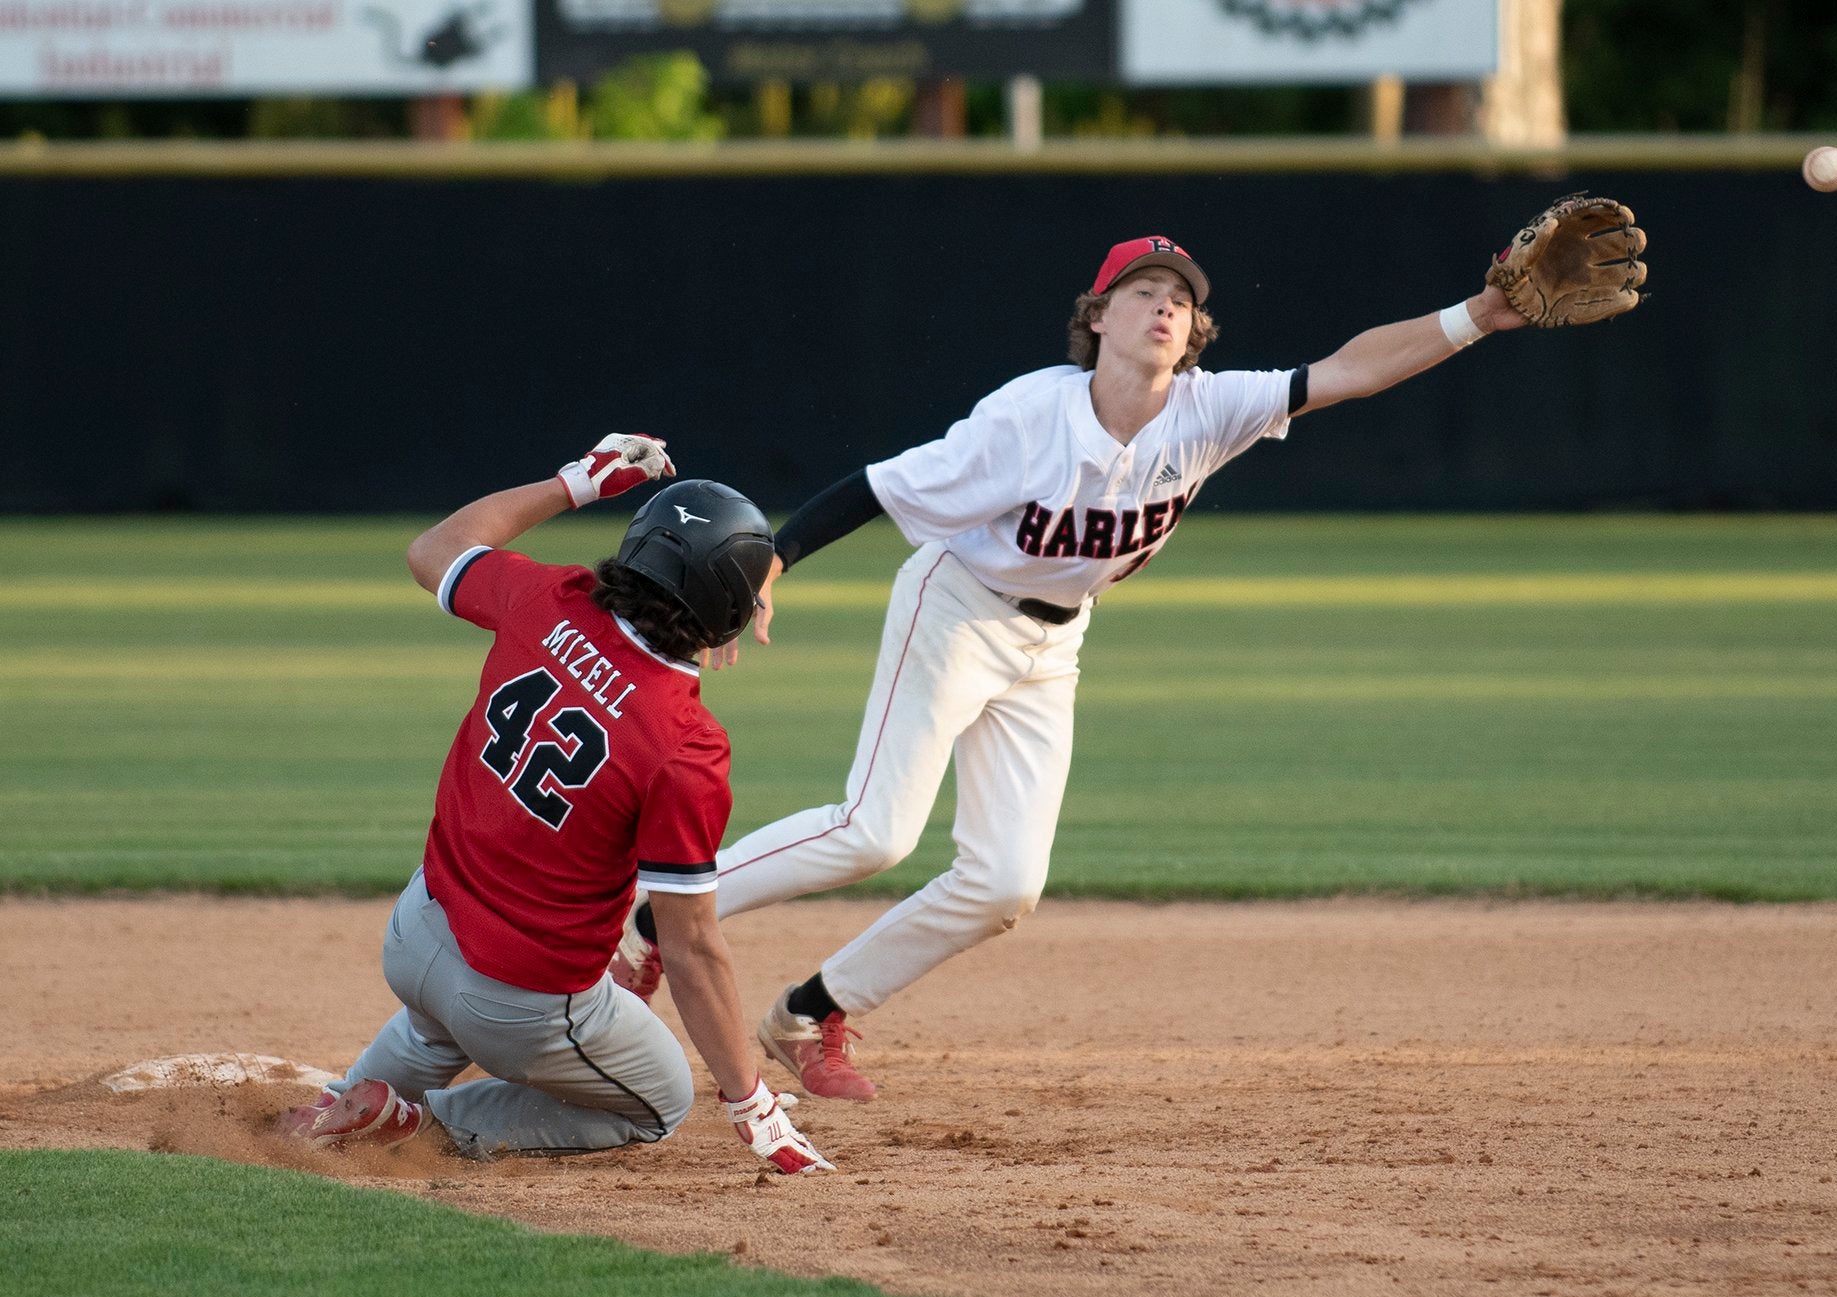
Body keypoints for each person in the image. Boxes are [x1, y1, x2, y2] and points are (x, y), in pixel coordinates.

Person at [611, 235, 1533, 1102]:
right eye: (1143, 292)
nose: (1164, 308)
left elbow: (1351, 370)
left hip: (1056, 642)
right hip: (958, 607)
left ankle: (810, 1014)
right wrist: (773, 560)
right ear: (1098, 315)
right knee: (872, 831)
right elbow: (879, 486)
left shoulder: (1213, 408)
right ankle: (657, 920)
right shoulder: (1026, 419)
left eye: (1180, 299)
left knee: (1005, 882)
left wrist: (1479, 316)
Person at [282, 434, 830, 1174]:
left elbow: (435, 548)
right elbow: (692, 947)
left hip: (417, 931)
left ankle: (347, 1102)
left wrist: (576, 481)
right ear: (728, 611)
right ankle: (418, 1127)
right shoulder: (684, 741)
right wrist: (748, 1099)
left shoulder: (550, 598)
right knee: (662, 1099)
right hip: (515, 1001)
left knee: (438, 1020)